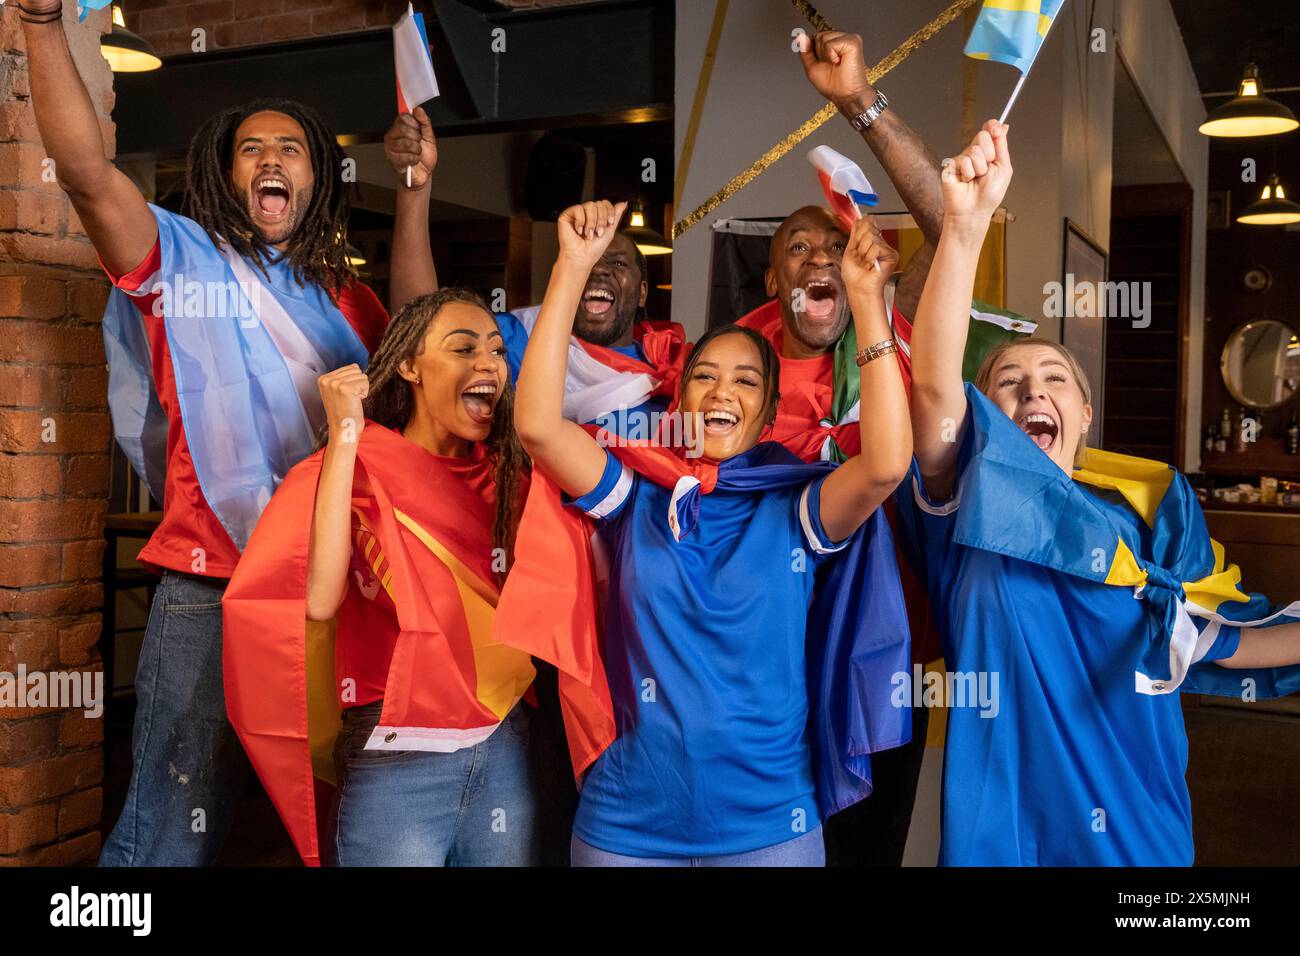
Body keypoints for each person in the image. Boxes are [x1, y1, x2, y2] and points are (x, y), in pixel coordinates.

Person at [19, 1, 388, 865]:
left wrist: (411, 198)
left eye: (289, 148)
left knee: (340, 811)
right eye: (251, 148)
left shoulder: (345, 297)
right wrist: (41, 24)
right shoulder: (180, 258)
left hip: (334, 583)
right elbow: (84, 171)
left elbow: (417, 339)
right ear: (227, 174)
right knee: (170, 825)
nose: (270, 159)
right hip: (209, 585)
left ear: (316, 179)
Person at [901, 120, 1300, 865]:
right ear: (985, 417)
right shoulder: (962, 503)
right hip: (1007, 823)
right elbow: (930, 383)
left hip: (1139, 814)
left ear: (1084, 414)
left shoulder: (1153, 514)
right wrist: (965, 225)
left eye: (1055, 379)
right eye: (1008, 385)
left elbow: (1217, 641)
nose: (1032, 392)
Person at [508, 199, 912, 865]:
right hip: (624, 825)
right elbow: (539, 428)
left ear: (769, 411)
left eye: (746, 381)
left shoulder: (797, 505)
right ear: (680, 399)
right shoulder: (633, 492)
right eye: (704, 375)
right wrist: (571, 269)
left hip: (769, 826)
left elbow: (888, 463)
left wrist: (868, 301)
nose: (722, 391)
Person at [223, 290, 540, 866]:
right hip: (398, 749)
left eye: (496, 349)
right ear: (409, 366)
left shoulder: (511, 476)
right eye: (463, 347)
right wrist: (345, 433)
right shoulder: (360, 462)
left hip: (503, 741)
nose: (488, 362)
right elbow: (318, 599)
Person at [383, 109, 687, 438]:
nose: (598, 269)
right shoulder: (518, 338)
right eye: (588, 260)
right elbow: (416, 326)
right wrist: (414, 191)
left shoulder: (672, 367)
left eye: (616, 263)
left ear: (642, 292)